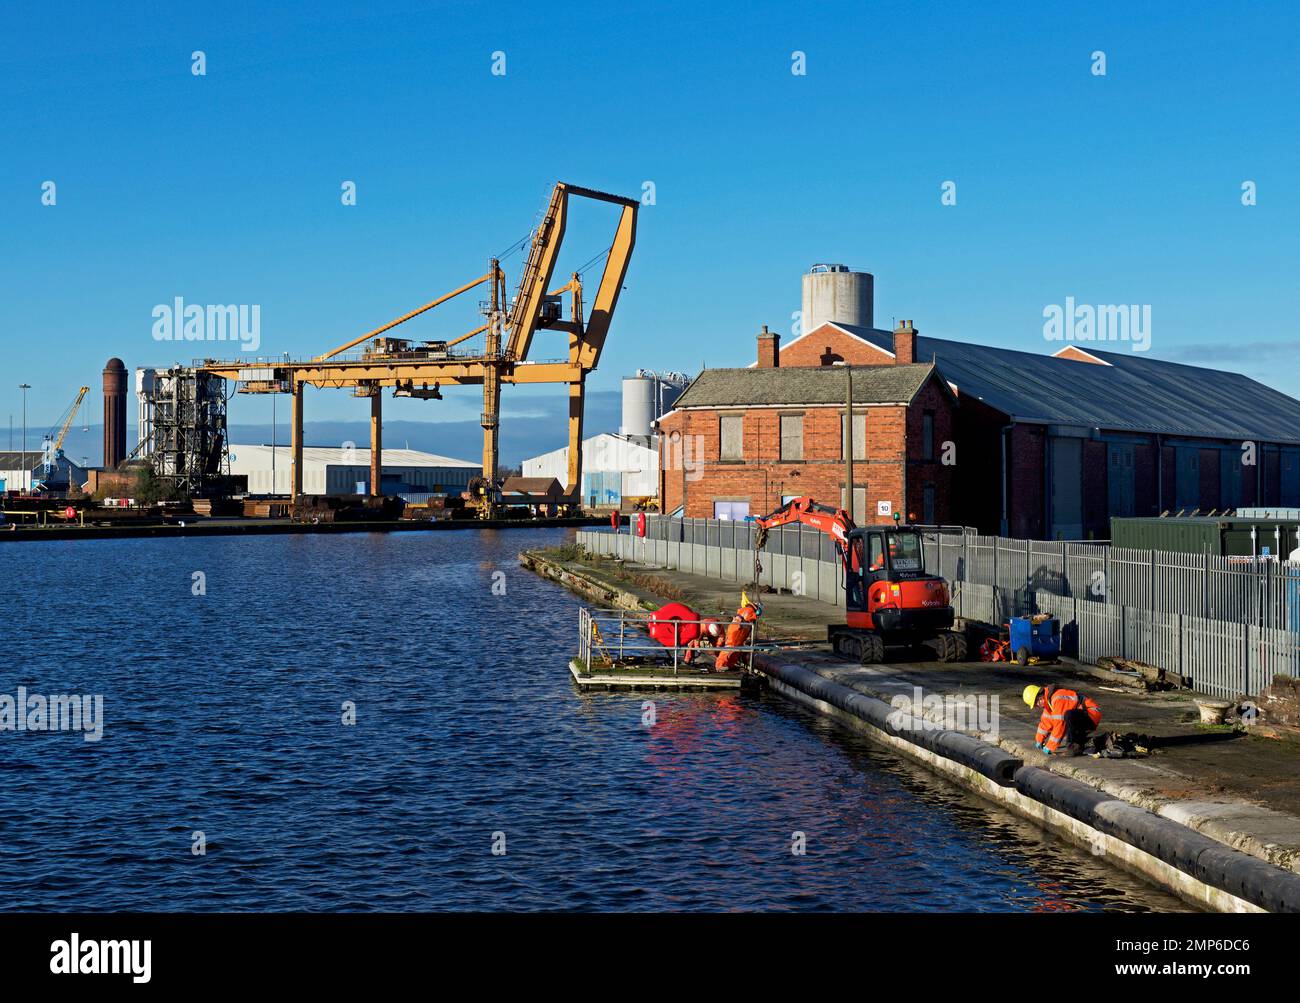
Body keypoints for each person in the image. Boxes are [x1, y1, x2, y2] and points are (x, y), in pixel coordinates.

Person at [1024, 684, 1102, 756]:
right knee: (1069, 717)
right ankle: (1083, 743)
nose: (1038, 706)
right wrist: (1039, 739)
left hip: (1091, 714)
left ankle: (1074, 748)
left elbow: (1060, 725)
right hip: (1084, 715)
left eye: (1036, 703)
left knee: (1068, 716)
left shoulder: (1057, 698)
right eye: (1035, 705)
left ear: (1040, 697)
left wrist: (1050, 746)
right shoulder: (1049, 702)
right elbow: (1046, 722)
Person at [715, 592, 763, 670]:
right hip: (737, 632)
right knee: (730, 648)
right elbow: (752, 620)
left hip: (737, 631)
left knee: (736, 649)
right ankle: (719, 665)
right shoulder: (750, 611)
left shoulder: (745, 609)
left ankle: (729, 664)